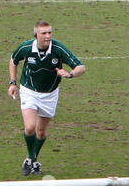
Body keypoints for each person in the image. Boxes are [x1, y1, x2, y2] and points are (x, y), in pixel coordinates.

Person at [8, 20, 84, 176]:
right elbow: (13, 60)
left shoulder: (58, 49)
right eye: (44, 33)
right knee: (30, 127)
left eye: (50, 32)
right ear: (36, 34)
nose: (48, 36)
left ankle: (33, 160)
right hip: (29, 90)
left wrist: (69, 74)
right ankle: (30, 158)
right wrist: (12, 82)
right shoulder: (26, 47)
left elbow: (81, 67)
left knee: (41, 132)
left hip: (50, 94)